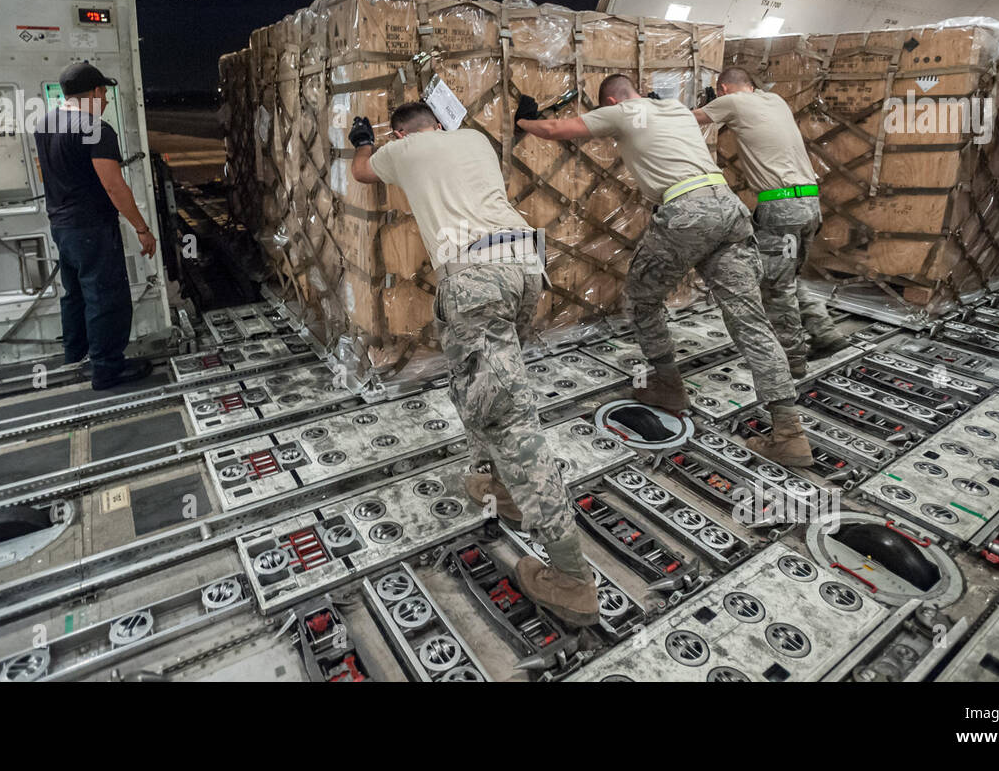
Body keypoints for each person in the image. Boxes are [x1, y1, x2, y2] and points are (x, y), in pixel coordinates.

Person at [348, 102, 600, 624]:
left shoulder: (400, 149)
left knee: (511, 417)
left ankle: (572, 579)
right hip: (525, 264)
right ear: (439, 122)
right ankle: (501, 487)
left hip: (475, 275)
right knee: (484, 388)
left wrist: (361, 139)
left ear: (401, 132)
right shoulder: (473, 138)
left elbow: (361, 172)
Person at [516, 75, 812, 466]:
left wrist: (525, 119)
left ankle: (668, 385)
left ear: (608, 99)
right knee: (750, 320)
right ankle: (789, 431)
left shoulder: (622, 111)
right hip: (729, 209)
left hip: (687, 213)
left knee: (641, 299)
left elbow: (555, 129)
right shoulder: (674, 109)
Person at [693, 67, 851, 377]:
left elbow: (686, 119)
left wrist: (652, 104)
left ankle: (792, 360)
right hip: (808, 202)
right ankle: (826, 332)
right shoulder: (776, 100)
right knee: (785, 276)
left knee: (774, 287)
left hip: (781, 208)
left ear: (724, 88)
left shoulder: (732, 102)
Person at [32, 61, 156, 391]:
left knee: (75, 294)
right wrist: (142, 228)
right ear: (97, 91)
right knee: (106, 296)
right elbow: (114, 186)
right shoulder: (95, 128)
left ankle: (77, 355)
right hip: (91, 227)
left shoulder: (44, 125)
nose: (106, 101)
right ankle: (106, 370)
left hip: (61, 225)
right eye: (105, 94)